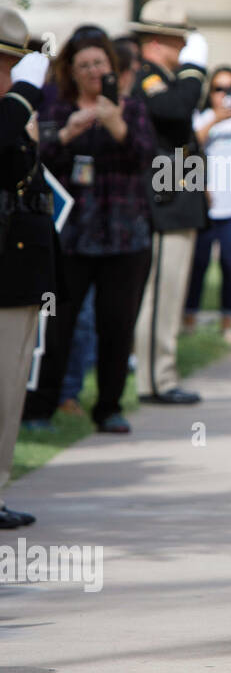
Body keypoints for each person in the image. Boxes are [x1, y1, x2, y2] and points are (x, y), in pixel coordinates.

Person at [22, 26, 156, 434]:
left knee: (116, 326)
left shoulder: (130, 108)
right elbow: (33, 158)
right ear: (72, 71)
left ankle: (109, 407)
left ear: (111, 67)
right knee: (59, 326)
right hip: (71, 237)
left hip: (124, 234)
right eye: (84, 65)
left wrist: (115, 125)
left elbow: (148, 158)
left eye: (99, 62)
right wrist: (68, 132)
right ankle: (41, 408)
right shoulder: (58, 108)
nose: (93, 70)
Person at [130, 0, 208, 405]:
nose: (183, 51)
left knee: (170, 292)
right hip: (164, 201)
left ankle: (159, 374)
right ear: (159, 40)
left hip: (177, 198)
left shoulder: (163, 77)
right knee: (160, 294)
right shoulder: (149, 78)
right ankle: (154, 378)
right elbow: (176, 111)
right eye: (178, 43)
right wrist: (196, 72)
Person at [0, 9, 55, 529]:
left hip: (17, 271)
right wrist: (21, 99)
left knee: (10, 386)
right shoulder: (10, 111)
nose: (7, 77)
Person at [183, 66, 231, 344]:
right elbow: (188, 147)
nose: (224, 95)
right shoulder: (201, 119)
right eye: (218, 89)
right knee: (198, 264)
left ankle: (228, 323)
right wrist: (213, 120)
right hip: (207, 205)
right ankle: (188, 320)